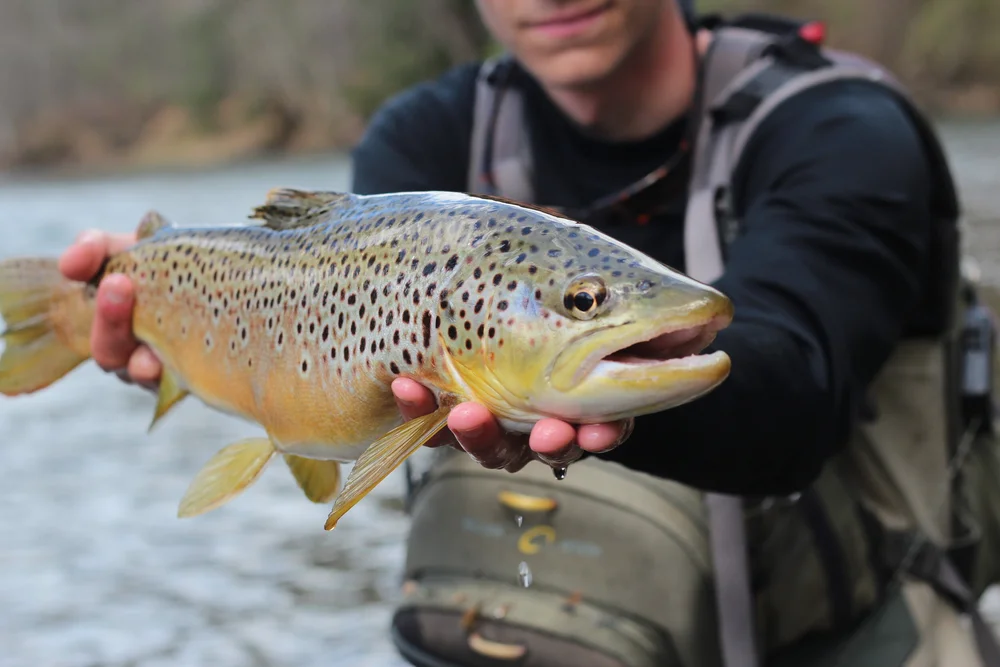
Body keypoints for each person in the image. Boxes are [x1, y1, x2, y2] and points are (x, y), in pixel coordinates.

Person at [58, 1, 1000, 666]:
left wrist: (601, 399)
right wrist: (161, 322)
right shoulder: (423, 140)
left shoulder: (840, 125)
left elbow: (796, 389)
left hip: (866, 635)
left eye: (585, 304)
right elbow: (314, 359)